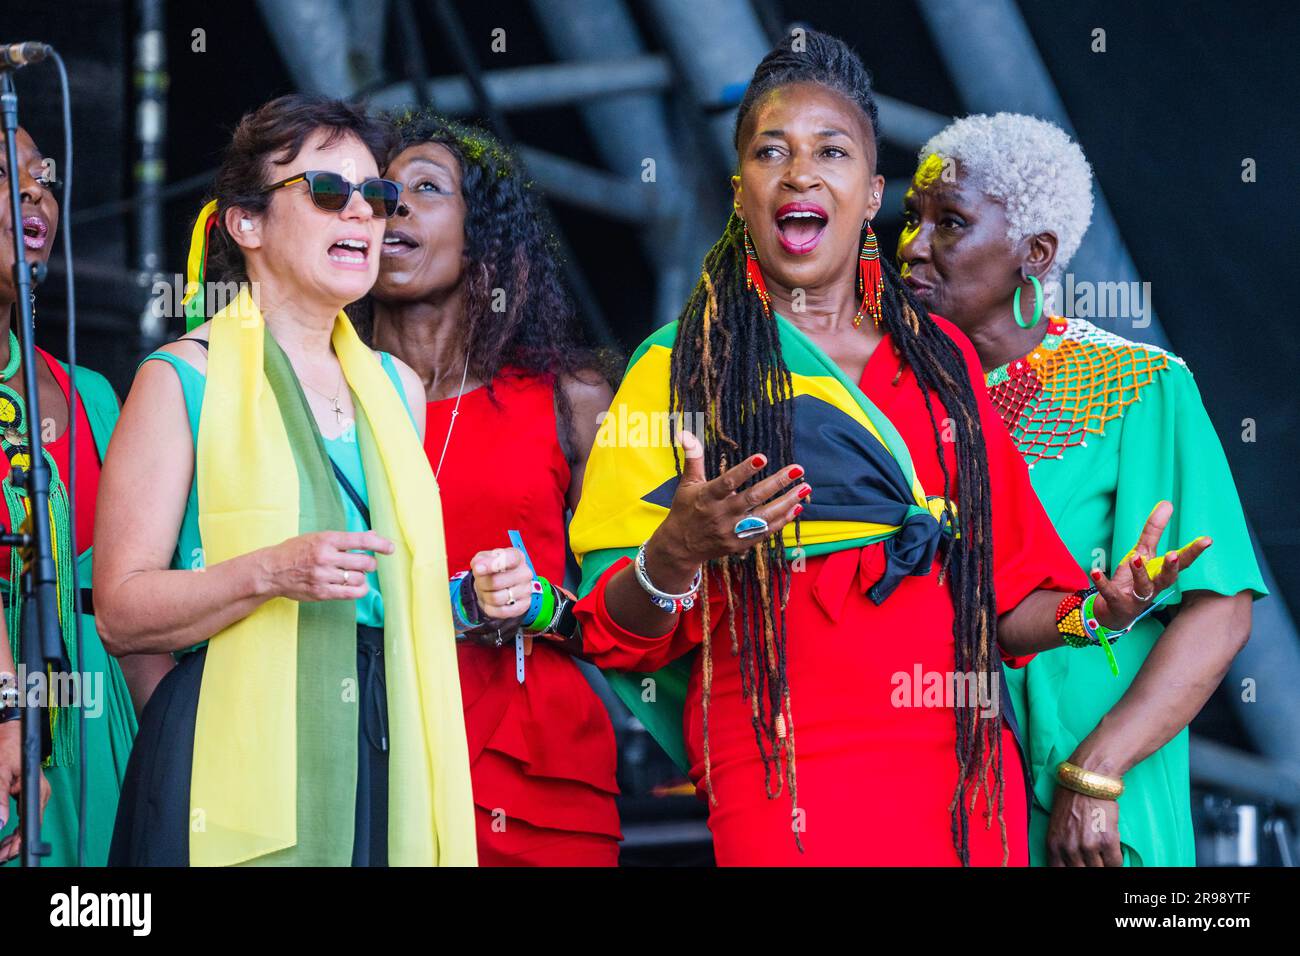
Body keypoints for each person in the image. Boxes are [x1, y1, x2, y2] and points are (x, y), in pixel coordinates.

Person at [567, 30, 1209, 866]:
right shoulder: (676, 365)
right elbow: (615, 632)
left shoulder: (942, 360)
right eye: (772, 152)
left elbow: (1010, 609)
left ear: (872, 195)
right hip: (777, 763)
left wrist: (1102, 613)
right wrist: (676, 550)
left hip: (959, 766)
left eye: (831, 151)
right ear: (742, 191)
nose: (800, 172)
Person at [97, 94, 479, 866]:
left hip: (381, 733)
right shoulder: (182, 379)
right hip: (230, 744)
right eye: (327, 191)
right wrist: (272, 570)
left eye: (376, 197)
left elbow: (382, 593)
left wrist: (475, 597)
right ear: (246, 223)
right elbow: (121, 611)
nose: (363, 216)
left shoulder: (397, 387)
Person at [897, 112, 1266, 866]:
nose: (912, 246)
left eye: (950, 223)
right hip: (928, 797)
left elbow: (1219, 608)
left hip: (1094, 816)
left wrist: (1097, 770)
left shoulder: (1139, 388)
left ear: (1034, 254)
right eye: (912, 218)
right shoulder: (884, 397)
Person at [364, 113, 622, 865]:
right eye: (380, 191)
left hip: (534, 763)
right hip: (376, 743)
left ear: (484, 236)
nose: (393, 205)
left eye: (426, 188)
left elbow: (626, 612)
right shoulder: (325, 400)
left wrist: (539, 602)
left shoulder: (569, 398)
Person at [0, 126, 154, 865]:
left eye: (41, 177)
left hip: (92, 743)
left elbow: (135, 607)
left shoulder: (88, 397)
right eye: (2, 173)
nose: (33, 191)